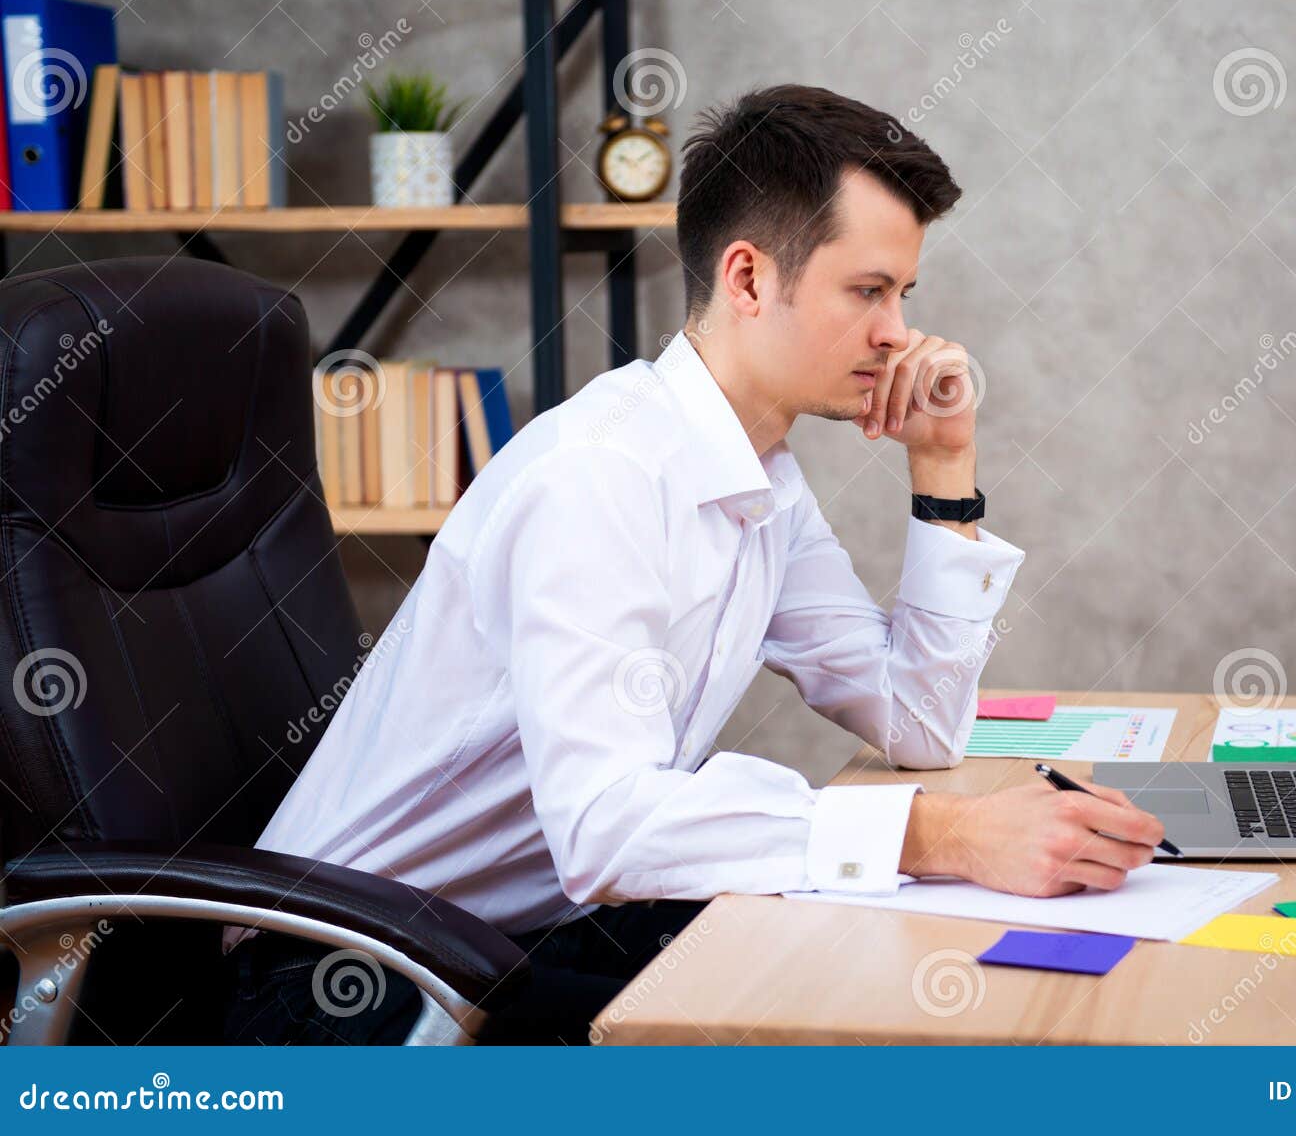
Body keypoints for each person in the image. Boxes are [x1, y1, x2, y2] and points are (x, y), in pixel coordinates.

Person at [222, 83, 1166, 1045]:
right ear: (749, 280)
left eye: (903, 295)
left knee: (864, 977)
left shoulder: (760, 478)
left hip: (516, 942)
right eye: (868, 291)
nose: (898, 333)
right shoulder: (598, 477)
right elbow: (607, 829)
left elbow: (918, 722)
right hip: (349, 983)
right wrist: (948, 834)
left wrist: (943, 464)